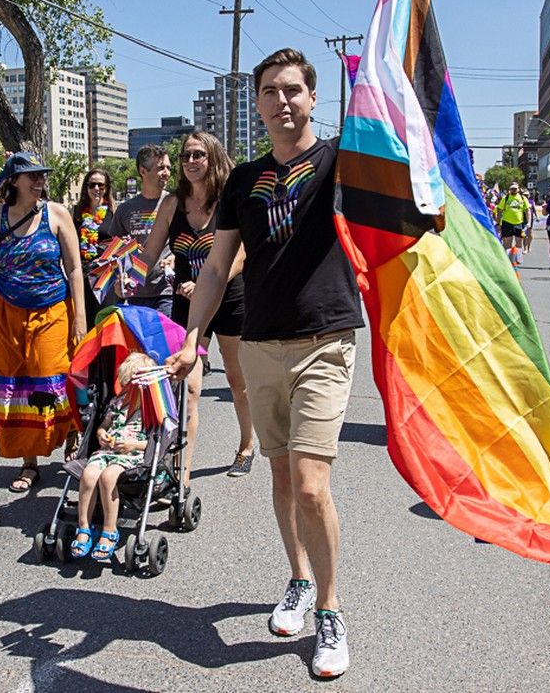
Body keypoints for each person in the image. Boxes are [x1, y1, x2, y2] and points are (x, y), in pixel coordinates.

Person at [167, 48, 366, 678]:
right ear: (256, 104)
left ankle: (331, 611)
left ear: (312, 98)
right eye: (270, 92)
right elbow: (218, 265)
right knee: (281, 482)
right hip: (258, 345)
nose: (283, 101)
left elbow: (397, 167)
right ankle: (299, 581)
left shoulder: (341, 160)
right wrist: (192, 335)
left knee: (311, 485)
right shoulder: (241, 183)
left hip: (324, 341)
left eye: (293, 91)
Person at [0, 152, 86, 493]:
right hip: (6, 314)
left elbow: (75, 270)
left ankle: (72, 437)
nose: (39, 181)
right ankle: (29, 462)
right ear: (13, 181)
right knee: (16, 387)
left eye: (41, 175)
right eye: (31, 176)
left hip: (52, 312)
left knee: (54, 379)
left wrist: (80, 321)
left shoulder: (57, 214)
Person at [137, 131, 255, 480]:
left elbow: (242, 255)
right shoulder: (173, 204)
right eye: (186, 156)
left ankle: (247, 445)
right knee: (186, 385)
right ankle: (181, 472)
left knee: (237, 380)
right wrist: (126, 277)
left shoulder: (229, 200)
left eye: (198, 155)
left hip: (232, 300)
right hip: (187, 306)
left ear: (212, 157)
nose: (190, 162)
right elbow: (149, 252)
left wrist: (206, 283)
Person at [71, 352, 154, 561]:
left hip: (132, 455)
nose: (129, 389)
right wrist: (101, 435)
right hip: (108, 451)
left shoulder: (151, 408)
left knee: (108, 477)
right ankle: (83, 528)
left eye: (133, 385)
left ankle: (110, 531)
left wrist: (133, 444)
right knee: (89, 475)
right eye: (126, 384)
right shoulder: (118, 402)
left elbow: (155, 442)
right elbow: (103, 426)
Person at [106, 145, 175, 316]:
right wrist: (119, 280)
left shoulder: (176, 203)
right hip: (136, 291)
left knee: (163, 341)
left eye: (168, 167)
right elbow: (115, 252)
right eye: (160, 168)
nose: (166, 172)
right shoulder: (125, 209)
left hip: (167, 291)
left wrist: (174, 257)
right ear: (143, 171)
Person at [73, 168, 116, 326]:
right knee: (87, 321)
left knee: (104, 322)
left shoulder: (113, 213)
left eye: (101, 185)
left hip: (105, 277)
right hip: (83, 277)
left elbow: (120, 244)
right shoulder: (77, 213)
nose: (96, 189)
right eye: (92, 185)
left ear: (107, 188)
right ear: (86, 187)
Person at [494, 182, 530, 267]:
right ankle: (507, 259)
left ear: (518, 189)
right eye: (512, 189)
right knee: (507, 242)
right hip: (507, 223)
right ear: (510, 189)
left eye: (515, 189)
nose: (514, 190)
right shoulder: (505, 198)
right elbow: (499, 210)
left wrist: (528, 222)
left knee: (519, 241)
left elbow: (527, 210)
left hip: (519, 223)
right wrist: (498, 223)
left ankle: (518, 258)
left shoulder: (522, 198)